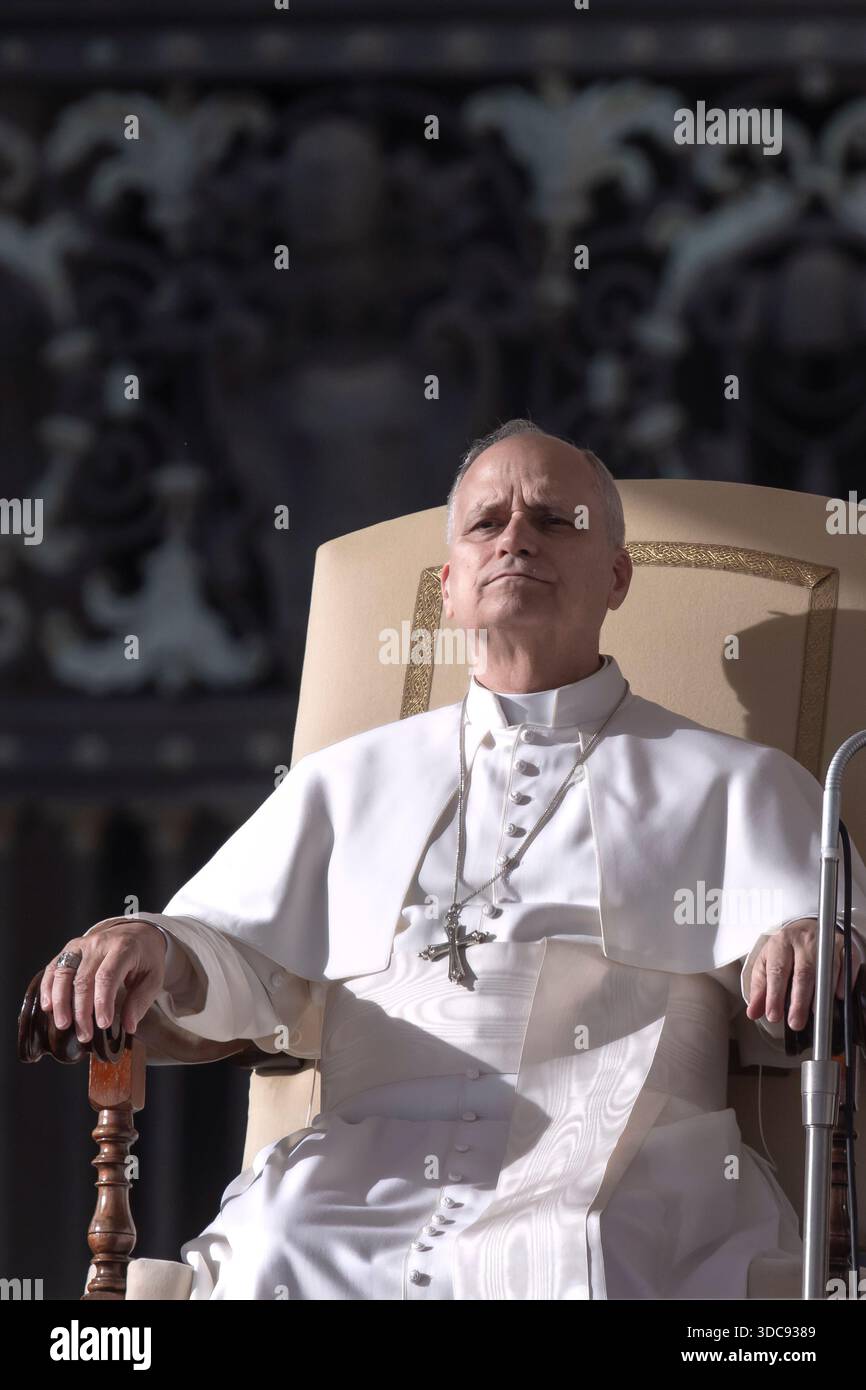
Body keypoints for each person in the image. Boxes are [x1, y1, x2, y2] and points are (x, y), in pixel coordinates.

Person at [40, 420, 866, 1300]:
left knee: (595, 1258)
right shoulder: (346, 781)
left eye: (555, 521)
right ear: (452, 587)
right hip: (361, 1169)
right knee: (276, 1247)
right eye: (487, 524)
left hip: (628, 1161)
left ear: (617, 576)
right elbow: (230, 948)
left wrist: (808, 935)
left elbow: (817, 942)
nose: (516, 537)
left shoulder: (733, 781)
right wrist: (150, 941)